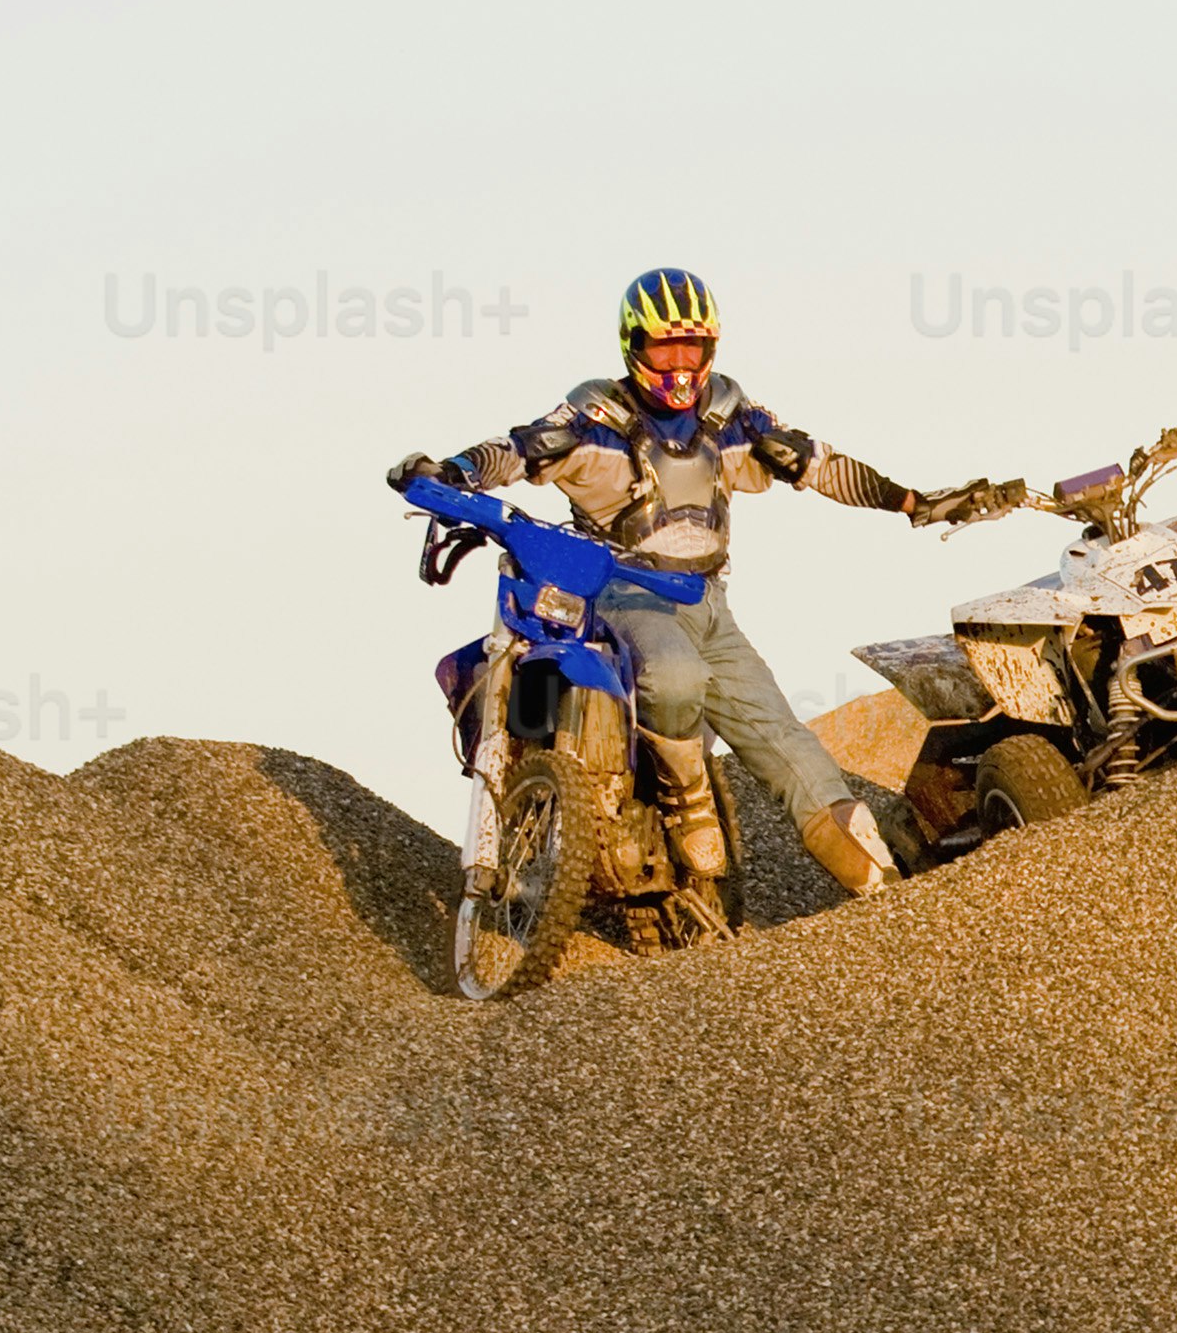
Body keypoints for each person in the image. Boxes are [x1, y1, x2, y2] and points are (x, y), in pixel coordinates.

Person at [390, 269, 1011, 901]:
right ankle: (688, 800)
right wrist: (453, 470)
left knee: (791, 746)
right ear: (633, 345)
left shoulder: (730, 414)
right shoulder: (593, 414)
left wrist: (910, 500)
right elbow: (520, 448)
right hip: (621, 596)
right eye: (666, 348)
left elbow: (817, 463)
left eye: (693, 348)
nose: (681, 366)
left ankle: (887, 898)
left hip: (711, 604)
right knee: (673, 675)